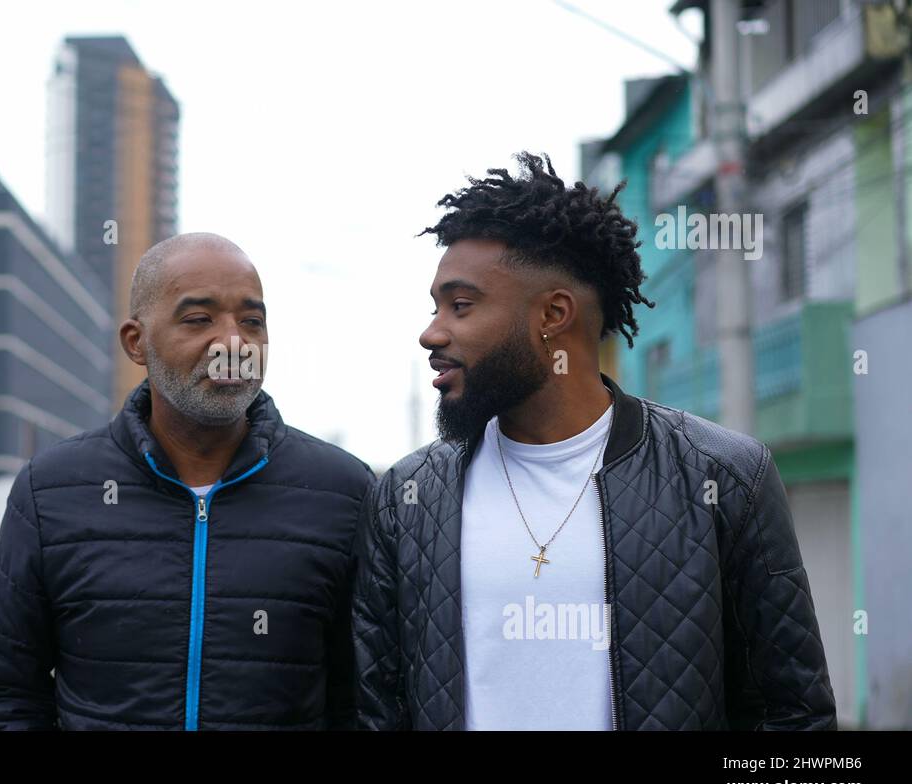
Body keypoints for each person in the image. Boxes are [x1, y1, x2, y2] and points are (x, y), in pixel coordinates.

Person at [352, 153, 836, 730]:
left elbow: (794, 714)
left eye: (461, 306)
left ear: (554, 314)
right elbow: (376, 713)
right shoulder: (407, 499)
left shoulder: (722, 477)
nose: (431, 333)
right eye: (435, 308)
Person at [0, 232, 373, 730]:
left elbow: (365, 697)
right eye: (199, 319)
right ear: (136, 342)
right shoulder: (51, 491)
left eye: (252, 321)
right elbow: (4, 691)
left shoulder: (343, 492)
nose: (233, 343)